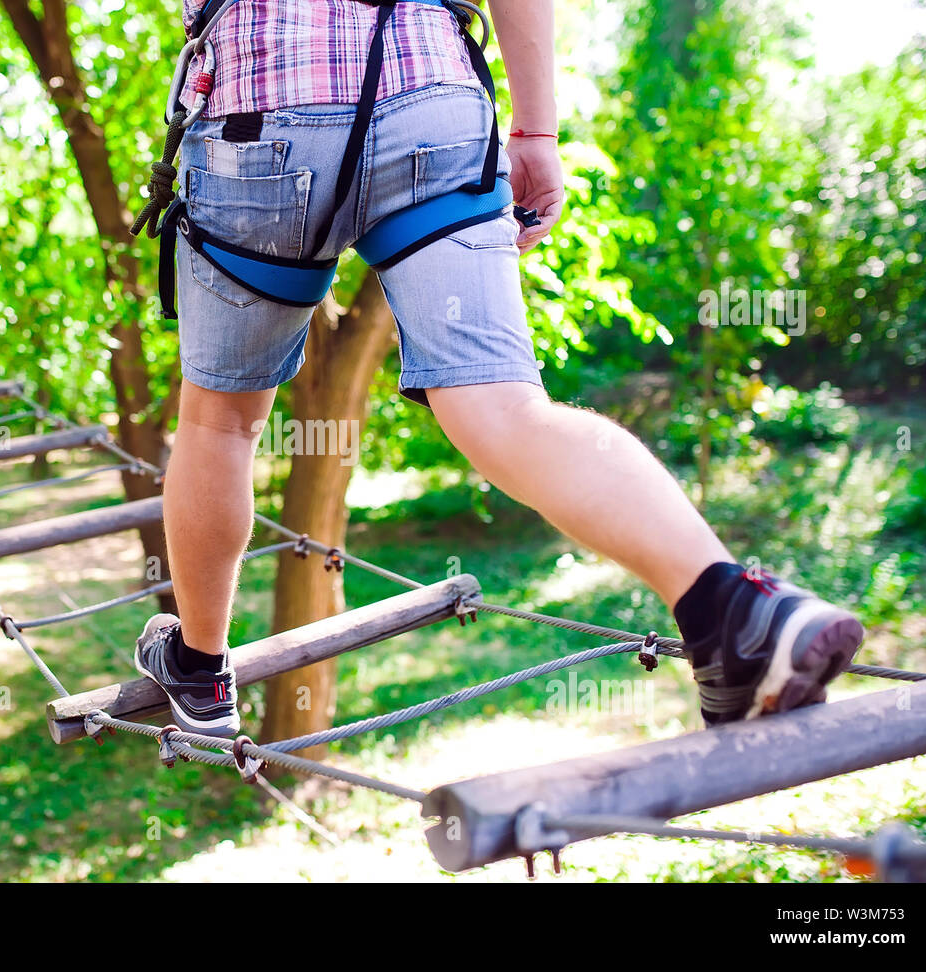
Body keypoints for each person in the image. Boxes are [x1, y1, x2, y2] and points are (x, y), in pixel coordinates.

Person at [132, 0, 863, 737]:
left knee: (221, 421)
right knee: (506, 408)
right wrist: (538, 131)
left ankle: (198, 668)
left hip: (261, 111)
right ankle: (732, 608)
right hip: (430, 99)